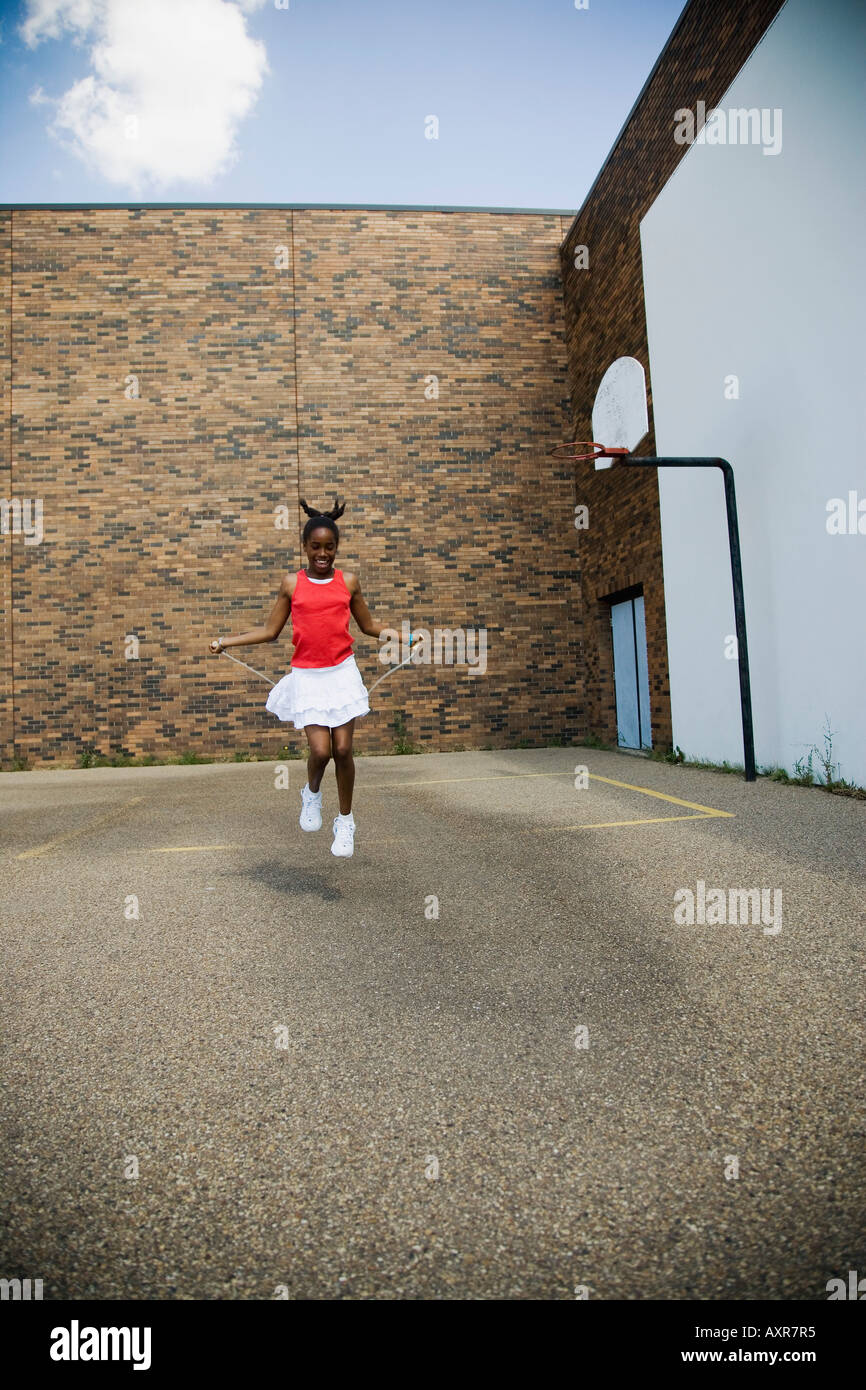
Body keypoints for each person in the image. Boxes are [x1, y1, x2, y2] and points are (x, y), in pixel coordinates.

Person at [208, 498, 400, 858]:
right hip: (308, 677)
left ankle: (345, 821)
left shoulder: (349, 582)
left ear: (336, 547)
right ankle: (311, 793)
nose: (322, 554)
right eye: (316, 547)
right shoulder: (291, 584)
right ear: (305, 547)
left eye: (329, 547)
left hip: (341, 673)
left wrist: (405, 636)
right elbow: (270, 631)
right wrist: (226, 641)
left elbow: (369, 626)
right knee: (321, 751)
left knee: (343, 749)